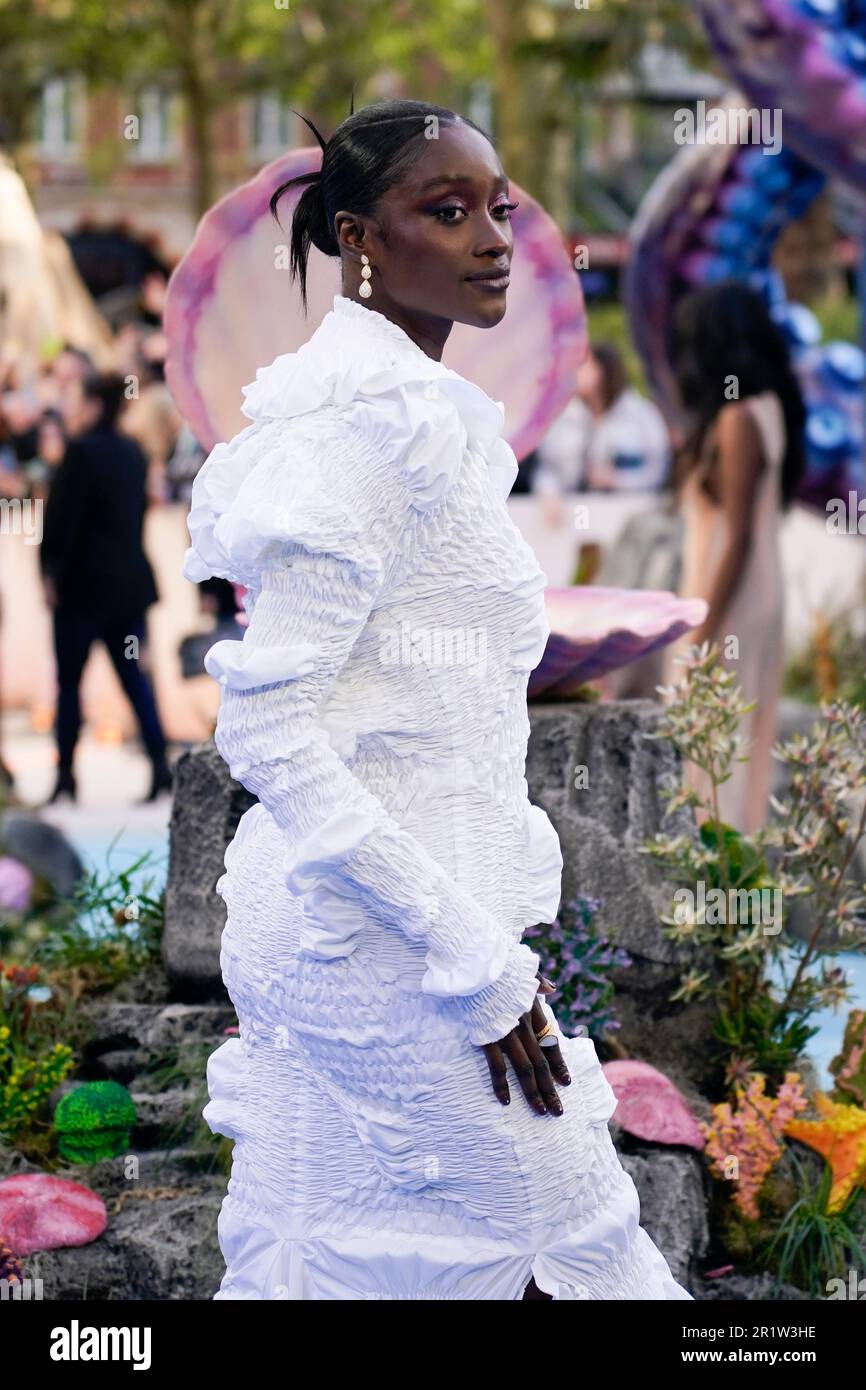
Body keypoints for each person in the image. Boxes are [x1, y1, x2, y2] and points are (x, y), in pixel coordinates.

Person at [190, 99, 693, 1302]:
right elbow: (265, 726)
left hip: (404, 926)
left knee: (352, 1261)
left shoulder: (429, 421)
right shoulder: (359, 436)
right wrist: (469, 952)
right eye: (447, 208)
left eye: (498, 209)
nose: (489, 238)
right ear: (359, 238)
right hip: (376, 945)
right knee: (562, 1242)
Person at [663, 281, 806, 835]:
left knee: (714, 744)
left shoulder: (737, 419)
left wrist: (701, 632)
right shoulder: (767, 406)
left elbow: (738, 535)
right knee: (740, 739)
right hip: (753, 591)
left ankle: (717, 883)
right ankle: (734, 884)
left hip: (730, 594)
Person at [39, 371, 172, 803]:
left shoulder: (80, 453)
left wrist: (50, 570)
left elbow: (62, 520)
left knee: (70, 683)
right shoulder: (133, 452)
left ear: (95, 404)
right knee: (135, 679)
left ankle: (65, 777)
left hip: (81, 591)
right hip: (127, 589)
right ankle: (159, 766)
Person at [534, 341, 671, 500]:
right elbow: (548, 468)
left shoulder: (640, 415)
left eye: (583, 365)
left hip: (631, 508)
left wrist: (617, 480)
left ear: (602, 371)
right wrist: (549, 492)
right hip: (581, 515)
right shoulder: (566, 417)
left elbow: (658, 469)